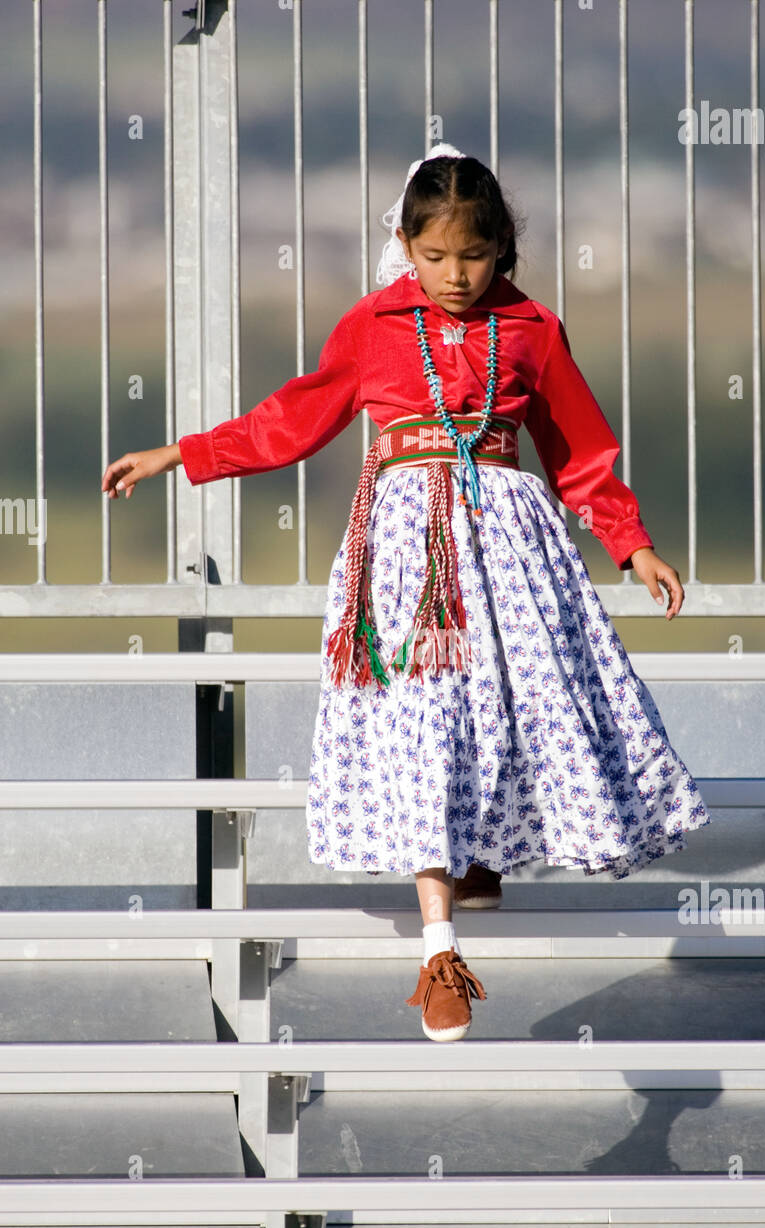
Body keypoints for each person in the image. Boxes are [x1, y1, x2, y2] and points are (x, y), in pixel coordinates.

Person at [101, 143, 711, 1045]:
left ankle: (475, 851)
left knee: (512, 703)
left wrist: (632, 543)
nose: (454, 276)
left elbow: (578, 446)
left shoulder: (533, 330)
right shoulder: (373, 325)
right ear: (403, 244)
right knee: (422, 712)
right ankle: (438, 951)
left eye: (472, 255)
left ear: (503, 246)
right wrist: (183, 454)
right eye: (433, 257)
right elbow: (295, 418)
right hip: (405, 557)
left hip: (510, 549)